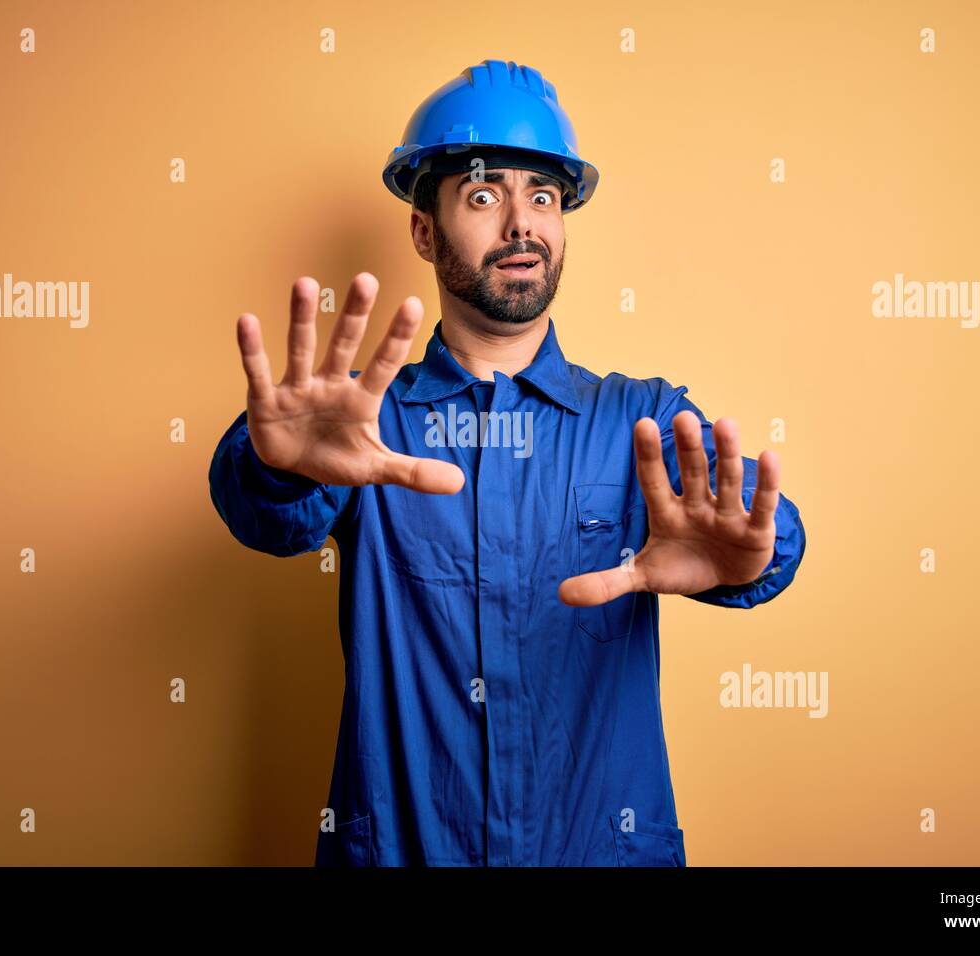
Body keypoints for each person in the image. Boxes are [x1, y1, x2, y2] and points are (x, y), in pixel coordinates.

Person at [208, 59, 807, 866]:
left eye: (545, 197)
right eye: (485, 196)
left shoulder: (642, 419)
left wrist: (752, 551)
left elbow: (756, 531)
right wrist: (278, 468)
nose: (521, 223)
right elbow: (265, 515)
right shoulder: (362, 425)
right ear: (423, 231)